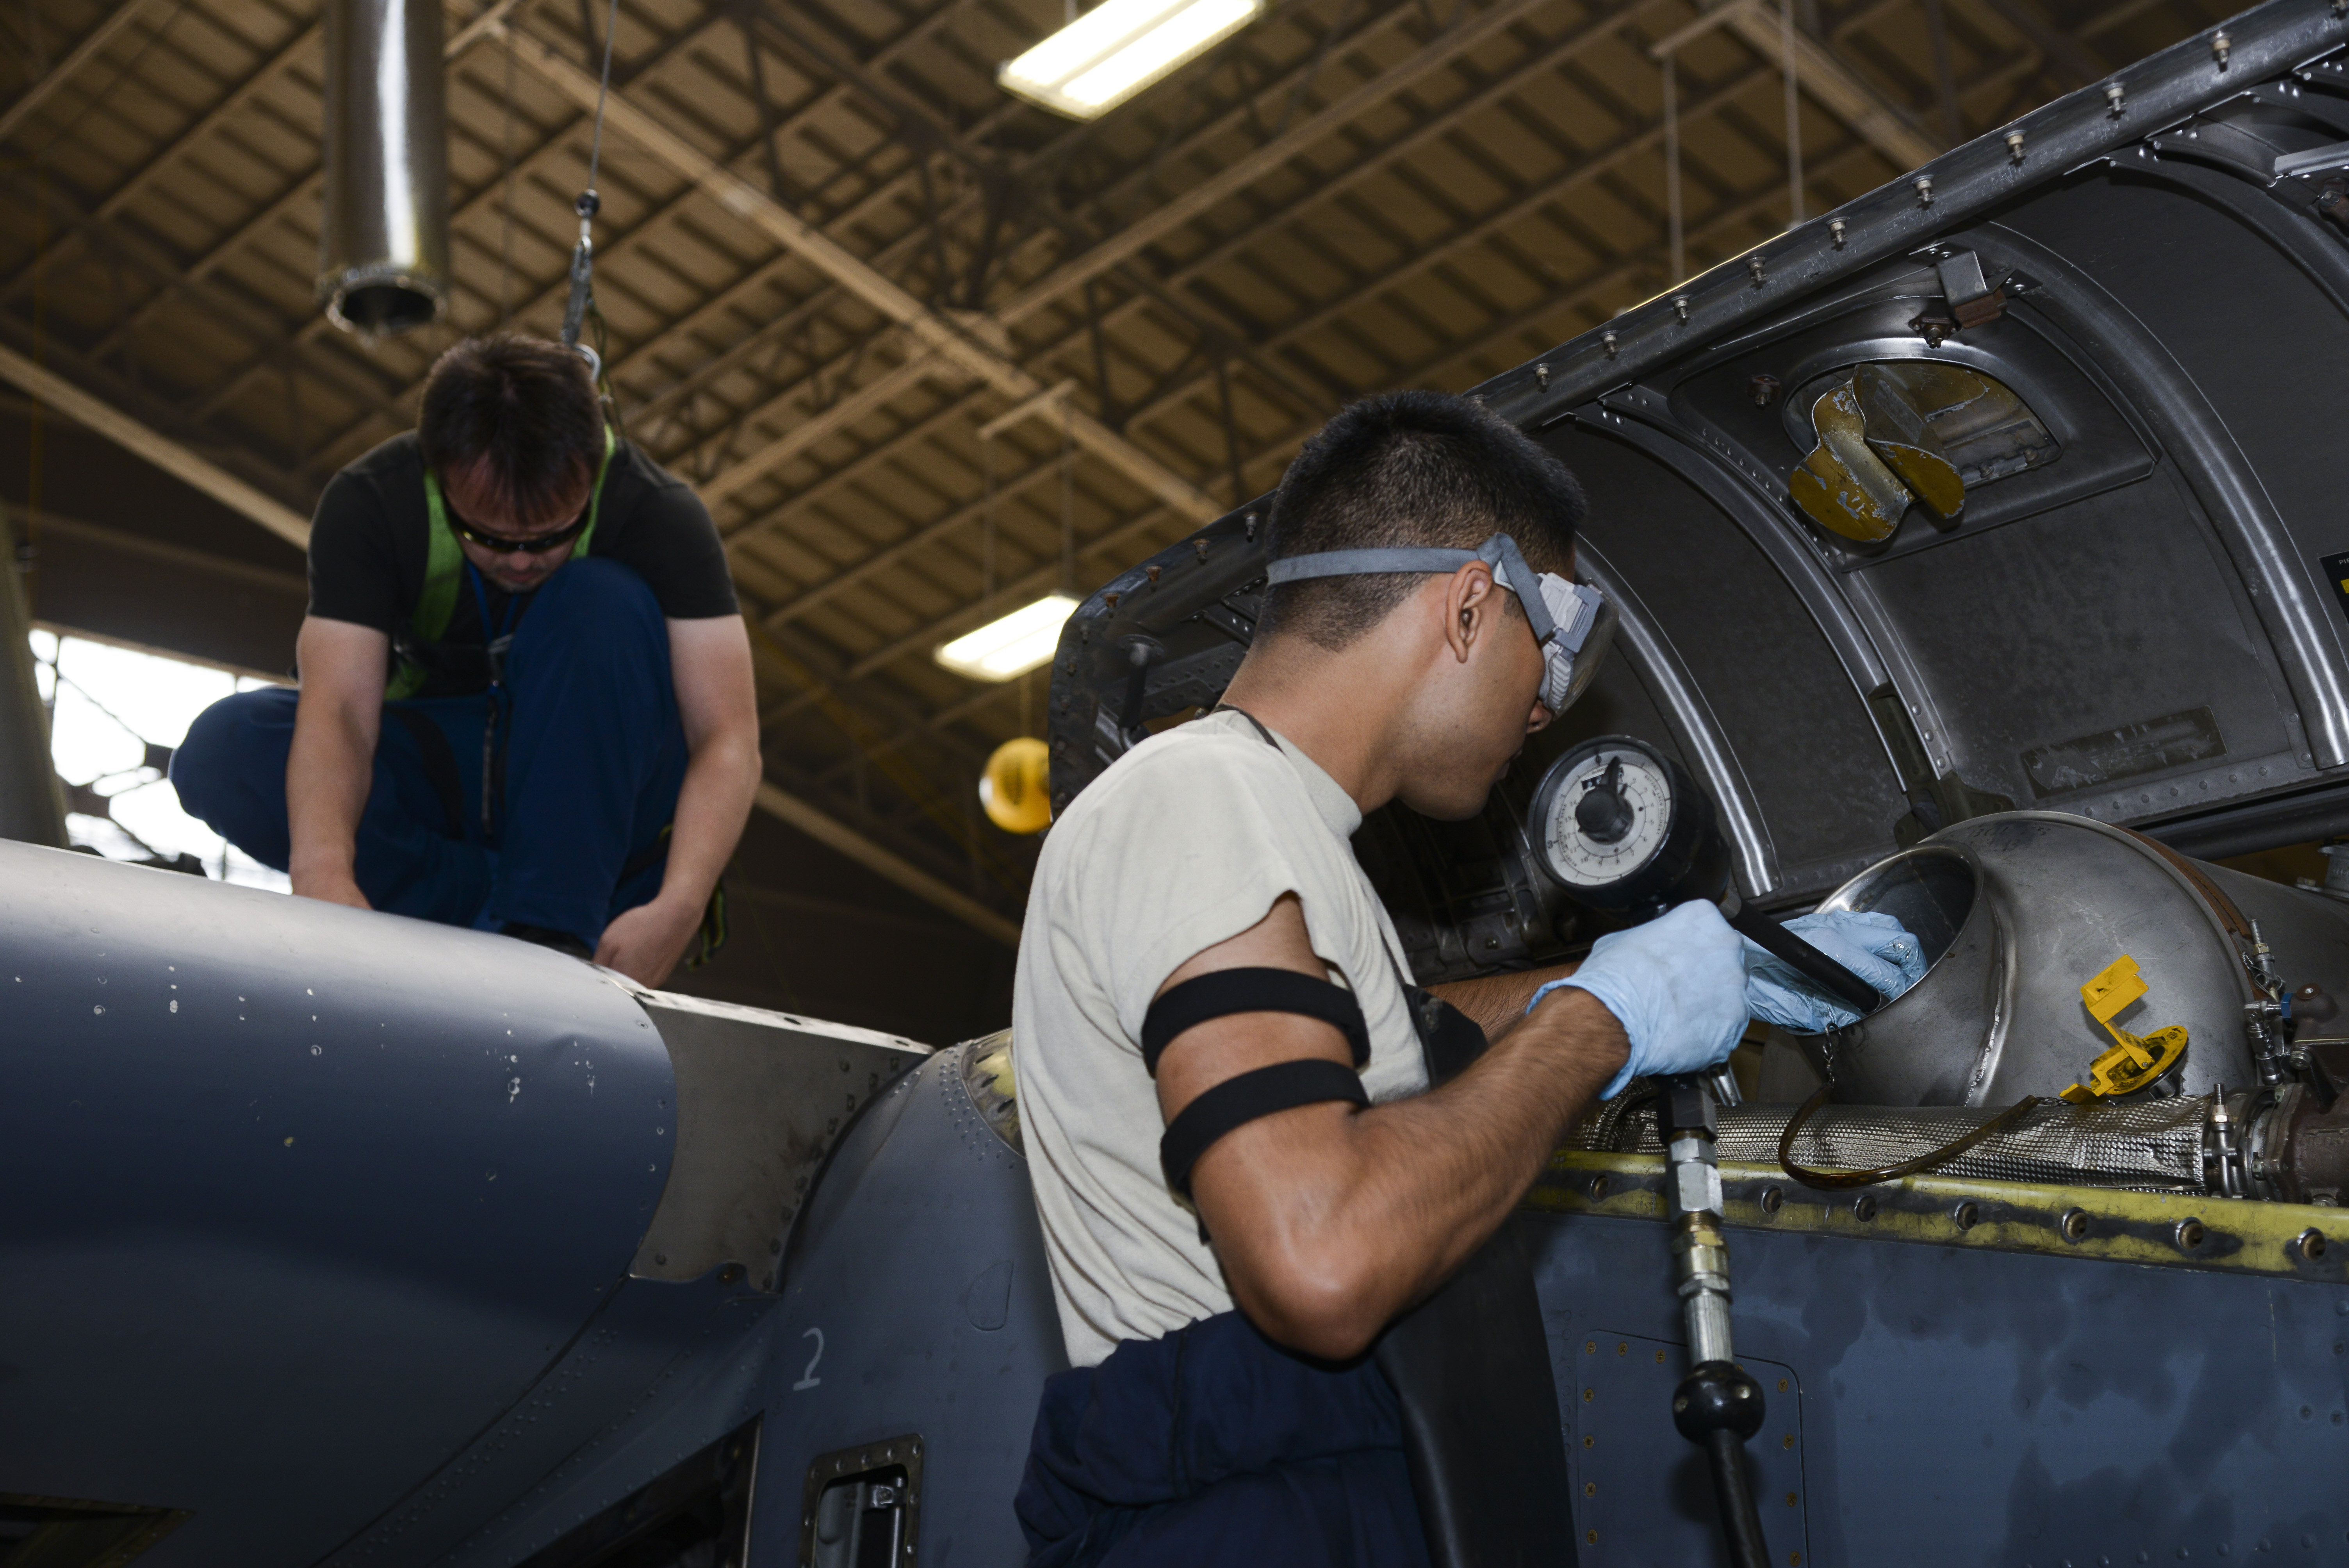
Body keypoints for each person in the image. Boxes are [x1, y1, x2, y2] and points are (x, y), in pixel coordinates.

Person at [1008, 390, 1919, 1566]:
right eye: (1555, 642)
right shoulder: (1202, 799)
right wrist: (1601, 1018)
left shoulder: (1263, 821)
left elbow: (1402, 1042)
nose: (1544, 705)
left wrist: (1686, 976)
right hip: (1257, 1519)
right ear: (1472, 605)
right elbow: (1319, 1257)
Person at [173, 333, 761, 988]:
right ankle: (483, 908)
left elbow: (728, 737)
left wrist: (680, 905)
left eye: (553, 535)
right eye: (487, 537)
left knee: (602, 601)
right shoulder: (373, 502)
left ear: (592, 473)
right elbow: (339, 712)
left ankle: (551, 934)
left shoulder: (660, 513)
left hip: (599, 814)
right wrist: (324, 875)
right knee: (226, 748)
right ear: (439, 474)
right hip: (445, 785)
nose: (522, 560)